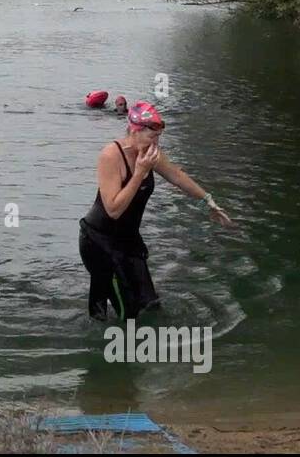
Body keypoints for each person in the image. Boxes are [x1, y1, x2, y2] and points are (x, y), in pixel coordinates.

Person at [79, 100, 233, 322]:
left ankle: (145, 344)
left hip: (128, 241)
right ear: (135, 130)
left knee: (151, 305)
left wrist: (209, 202)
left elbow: (177, 176)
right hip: (99, 242)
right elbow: (113, 209)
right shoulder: (111, 156)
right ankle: (110, 350)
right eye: (152, 136)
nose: (156, 142)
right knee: (127, 314)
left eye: (158, 137)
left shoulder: (151, 153)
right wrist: (140, 172)